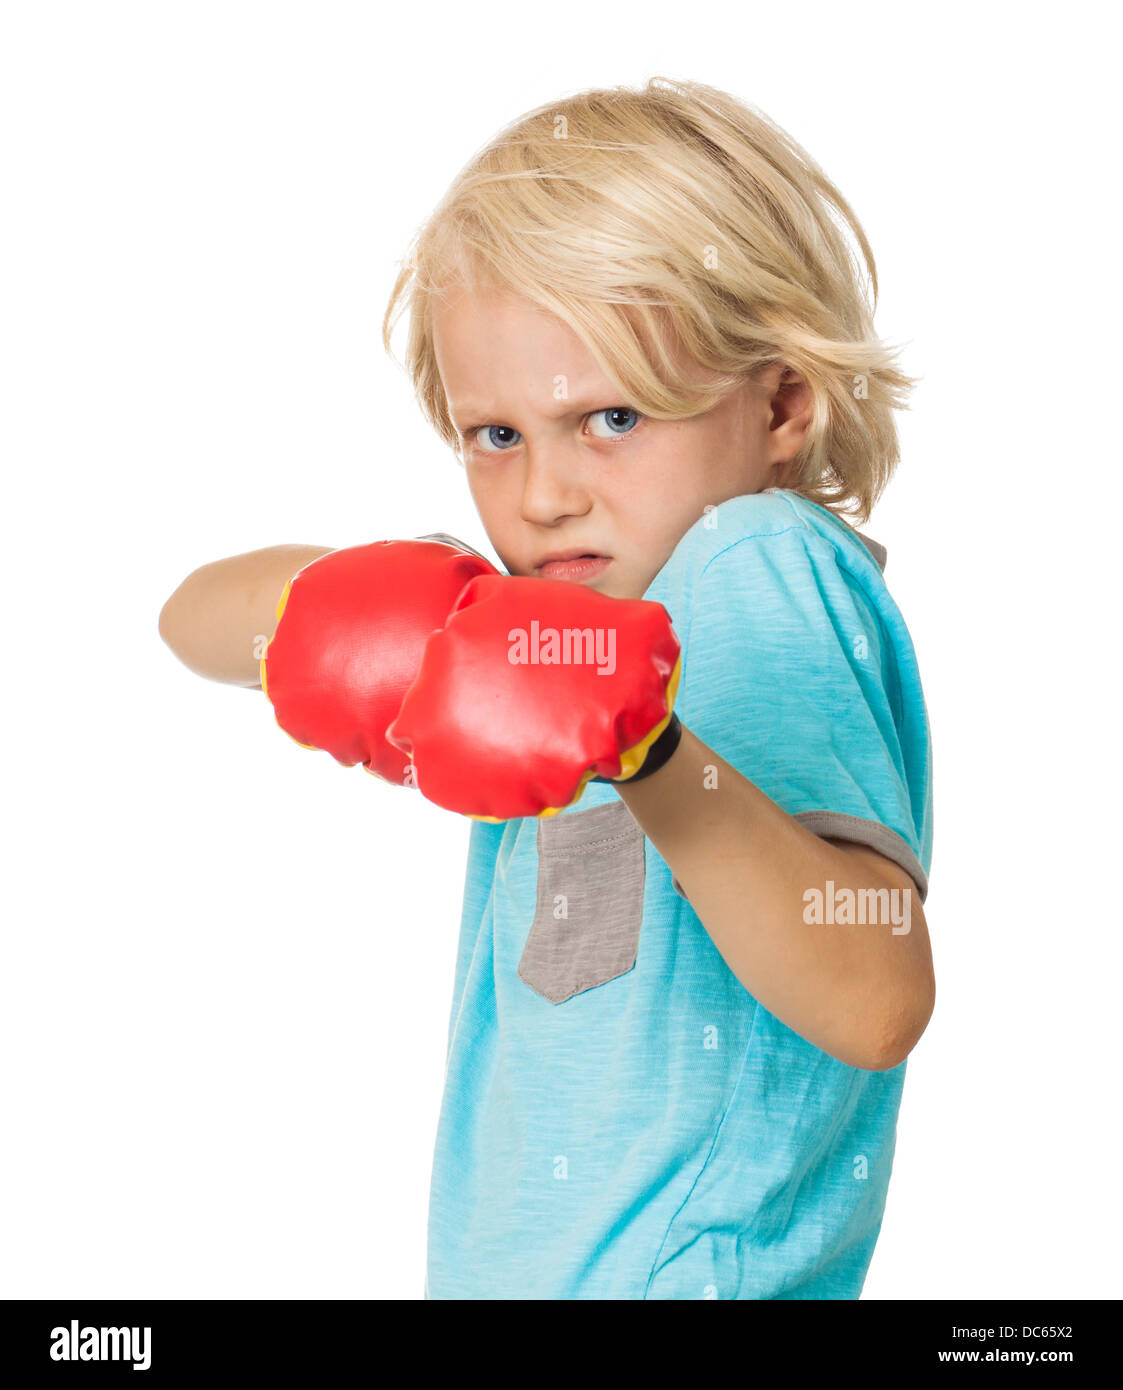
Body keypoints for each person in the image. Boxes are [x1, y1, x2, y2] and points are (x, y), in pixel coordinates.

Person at [160, 75, 934, 1299]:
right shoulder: (526, 623)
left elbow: (880, 991)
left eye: (612, 417)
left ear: (781, 403)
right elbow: (188, 620)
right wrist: (398, 615)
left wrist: (649, 754)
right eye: (497, 434)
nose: (544, 494)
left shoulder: (755, 562)